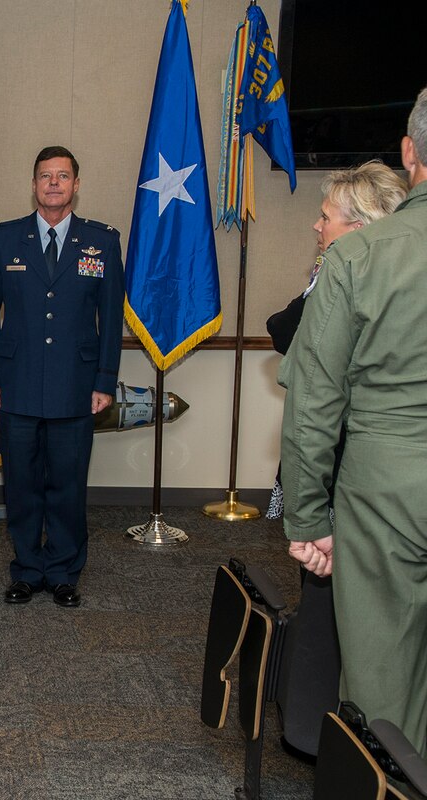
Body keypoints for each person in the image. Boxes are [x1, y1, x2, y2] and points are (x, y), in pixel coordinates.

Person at [280, 86, 427, 758]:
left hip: (386, 489)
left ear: (408, 152)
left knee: (382, 686)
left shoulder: (361, 256)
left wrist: (309, 519)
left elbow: (314, 405)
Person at [0, 146, 124, 608]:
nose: (54, 184)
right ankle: (26, 569)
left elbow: (110, 318)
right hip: (15, 383)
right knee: (21, 485)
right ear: (34, 185)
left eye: (62, 176)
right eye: (45, 176)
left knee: (67, 484)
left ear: (76, 184)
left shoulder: (102, 241)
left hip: (76, 384)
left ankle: (62, 572)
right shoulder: (3, 239)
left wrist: (104, 380)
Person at [265, 161, 406, 517]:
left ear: (359, 229)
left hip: (343, 447)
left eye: (326, 218)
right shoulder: (400, 275)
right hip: (385, 459)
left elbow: (283, 330)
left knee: (328, 547)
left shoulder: (344, 279)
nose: (317, 225)